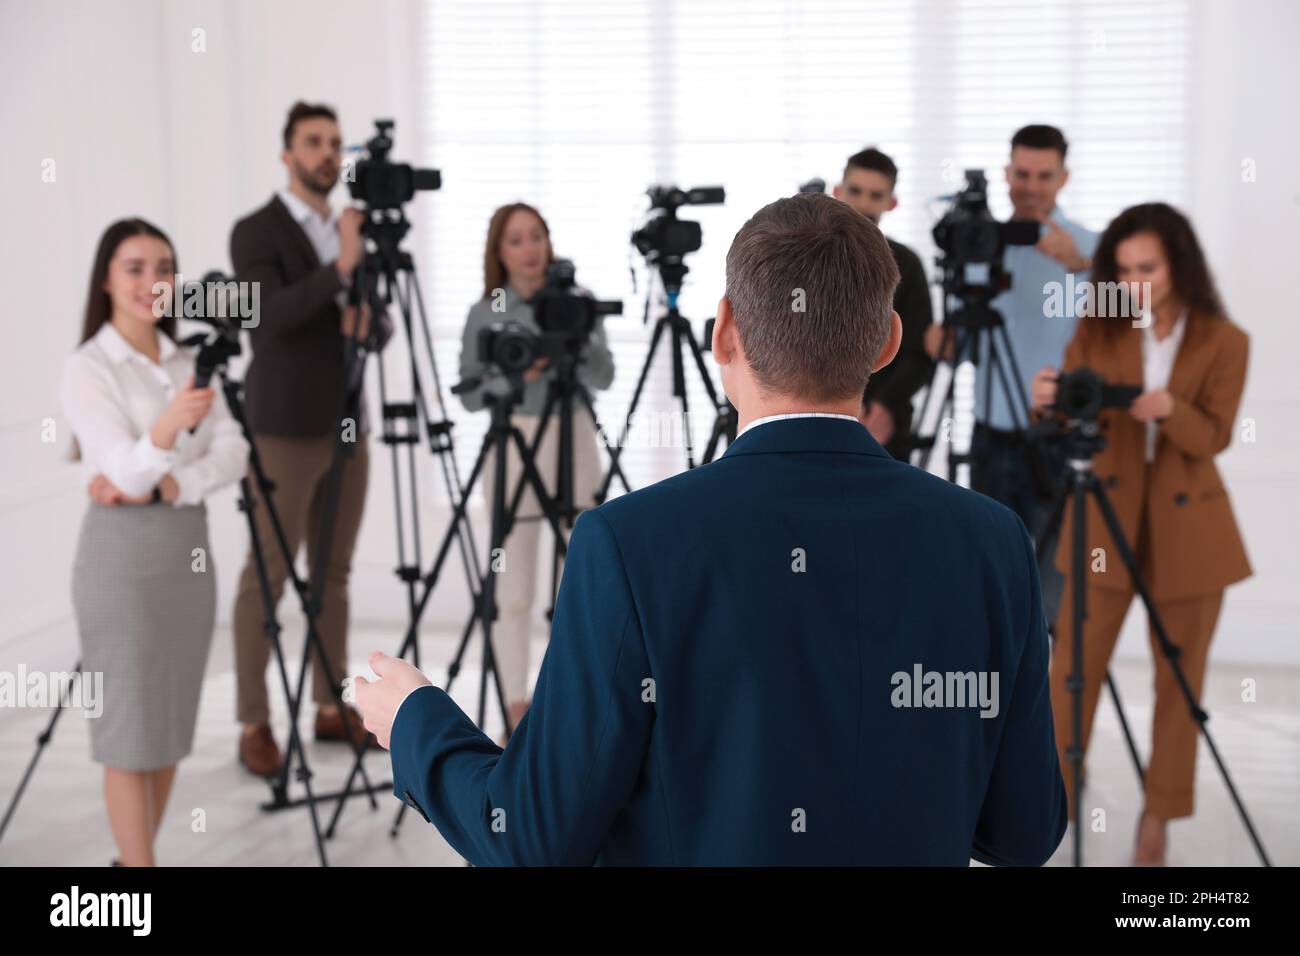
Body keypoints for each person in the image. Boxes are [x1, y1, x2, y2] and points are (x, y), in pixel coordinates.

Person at [354, 193, 1067, 866]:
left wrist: (418, 723)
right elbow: (1025, 831)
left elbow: (534, 836)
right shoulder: (992, 541)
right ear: (888, 341)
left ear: (723, 330)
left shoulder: (626, 543)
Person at [1030, 203, 1251, 866]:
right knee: (1070, 671)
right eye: (1122, 270)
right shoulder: (1096, 329)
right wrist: (1050, 399)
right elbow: (1073, 421)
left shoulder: (1224, 339)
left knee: (1178, 685)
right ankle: (1052, 804)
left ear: (1179, 263)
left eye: (1147, 268)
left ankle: (1158, 818)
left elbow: (1212, 435)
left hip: (1192, 533)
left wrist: (1171, 410)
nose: (1134, 282)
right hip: (1101, 521)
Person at [59, 218, 249, 866]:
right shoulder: (88, 368)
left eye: (163, 267)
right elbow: (120, 472)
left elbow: (234, 451)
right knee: (127, 733)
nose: (151, 282)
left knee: (167, 726)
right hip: (120, 564)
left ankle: (129, 868)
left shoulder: (188, 358)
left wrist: (172, 486)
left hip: (184, 560)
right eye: (134, 267)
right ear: (106, 278)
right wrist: (166, 431)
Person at [229, 101, 391, 777]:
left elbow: (379, 327)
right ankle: (255, 720)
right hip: (283, 429)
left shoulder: (349, 227)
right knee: (267, 574)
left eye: (334, 143)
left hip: (349, 425)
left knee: (334, 571)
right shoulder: (256, 230)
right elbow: (264, 319)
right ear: (287, 153)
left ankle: (329, 705)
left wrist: (363, 318)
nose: (327, 153)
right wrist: (341, 265)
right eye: (313, 142)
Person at [455, 202, 615, 740]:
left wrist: (577, 340)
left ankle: (577, 703)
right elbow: (472, 394)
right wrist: (520, 374)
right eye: (516, 240)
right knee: (513, 584)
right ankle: (515, 708)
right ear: (498, 252)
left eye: (537, 237)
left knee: (587, 573)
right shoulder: (487, 309)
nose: (529, 249)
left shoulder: (576, 302)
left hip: (575, 433)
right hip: (514, 436)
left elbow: (605, 375)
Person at [927, 125, 1098, 540]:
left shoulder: (1092, 247)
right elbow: (964, 347)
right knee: (990, 568)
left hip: (1057, 438)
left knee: (1053, 584)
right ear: (1006, 174)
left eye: (1044, 176)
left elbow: (1132, 319)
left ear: (1064, 178)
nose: (1032, 188)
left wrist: (1079, 266)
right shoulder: (978, 245)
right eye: (1022, 175)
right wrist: (946, 342)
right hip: (988, 438)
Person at [832, 147, 934, 458]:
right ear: (837, 192)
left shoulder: (908, 264)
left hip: (886, 427)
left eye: (875, 195)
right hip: (815, 416)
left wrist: (885, 405)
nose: (863, 204)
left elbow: (921, 349)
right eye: (856, 191)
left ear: (892, 202)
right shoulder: (806, 261)